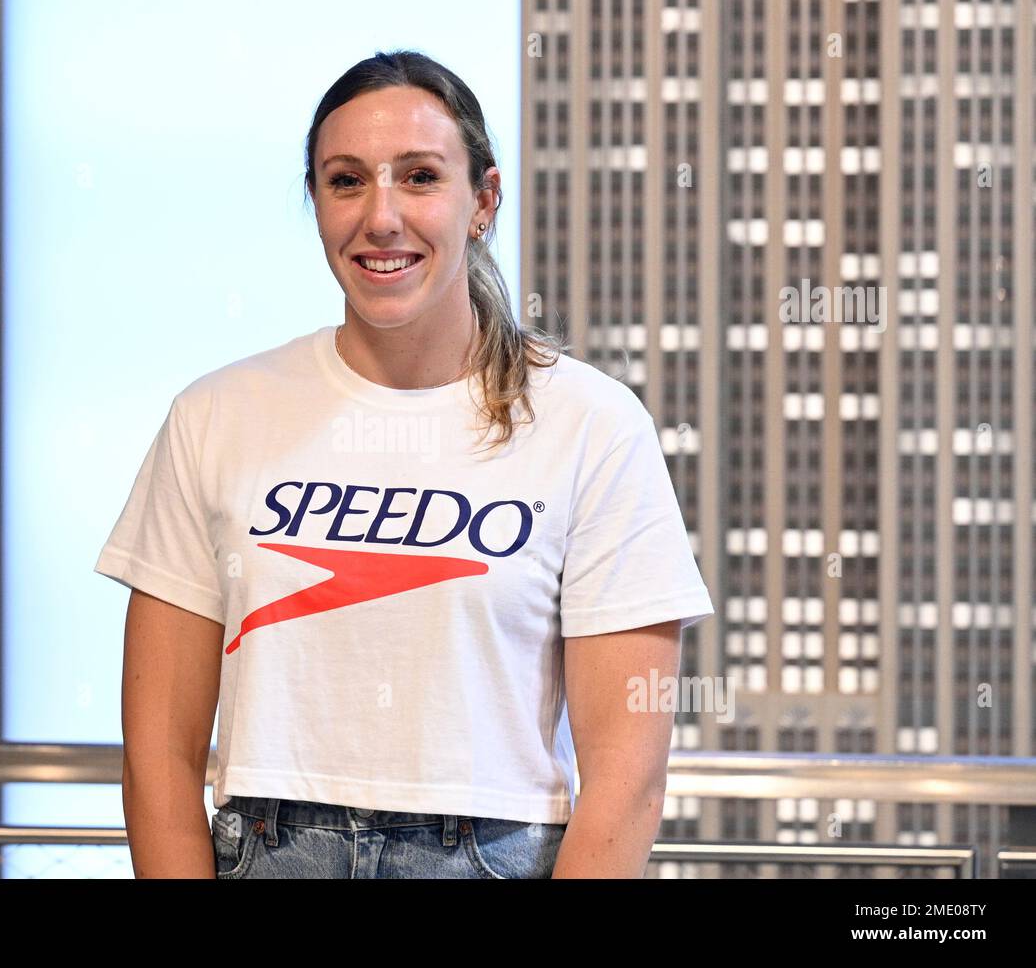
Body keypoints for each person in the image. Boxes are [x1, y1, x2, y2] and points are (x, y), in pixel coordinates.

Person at [95, 49, 714, 879]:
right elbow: (159, 759)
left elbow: (627, 784)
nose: (380, 217)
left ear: (483, 201)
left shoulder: (593, 427)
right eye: (346, 180)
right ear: (315, 202)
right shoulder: (216, 416)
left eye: (419, 177)